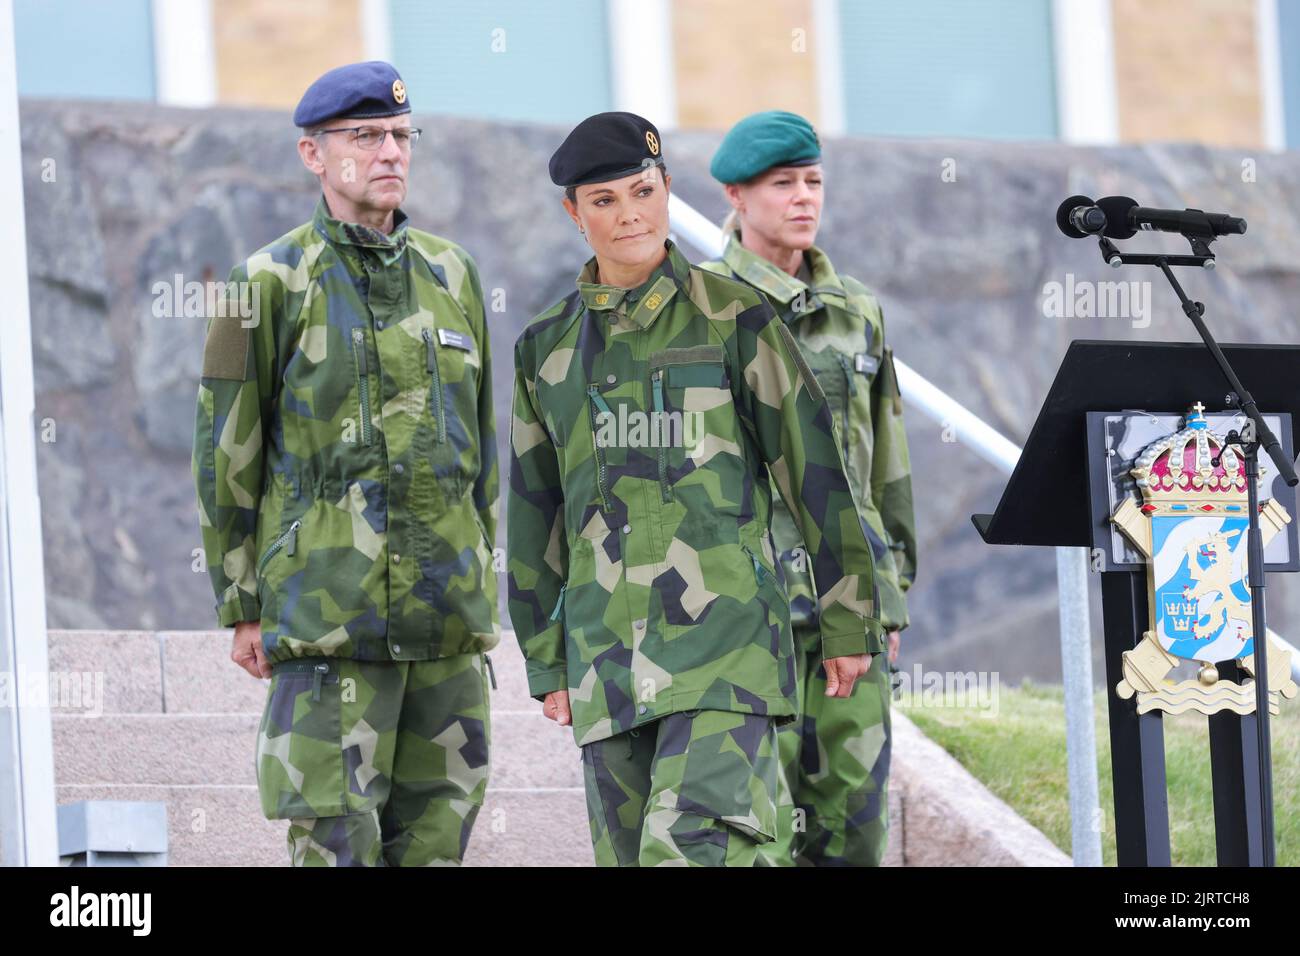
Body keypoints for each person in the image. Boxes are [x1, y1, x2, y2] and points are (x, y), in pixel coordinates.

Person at [506, 111, 885, 867]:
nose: (629, 215)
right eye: (605, 200)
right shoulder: (545, 348)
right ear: (573, 214)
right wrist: (546, 661)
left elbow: (813, 470)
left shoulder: (734, 317)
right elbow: (533, 512)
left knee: (688, 852)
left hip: (726, 648)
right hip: (606, 659)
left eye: (643, 192)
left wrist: (849, 620)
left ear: (668, 192)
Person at [191, 61, 499, 866]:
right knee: (334, 844)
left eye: (401, 135)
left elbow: (481, 453)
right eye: (365, 135)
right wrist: (240, 600)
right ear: (312, 154)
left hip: (445, 625)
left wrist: (484, 572)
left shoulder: (454, 274)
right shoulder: (257, 286)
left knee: (437, 845)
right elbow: (224, 451)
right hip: (330, 619)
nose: (390, 151)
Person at [700, 109, 917, 866]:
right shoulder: (699, 307)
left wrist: (889, 589)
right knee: (753, 831)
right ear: (736, 195)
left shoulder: (855, 311)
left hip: (846, 611)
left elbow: (884, 461)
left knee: (852, 823)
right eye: (782, 183)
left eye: (813, 181)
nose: (803, 198)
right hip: (745, 612)